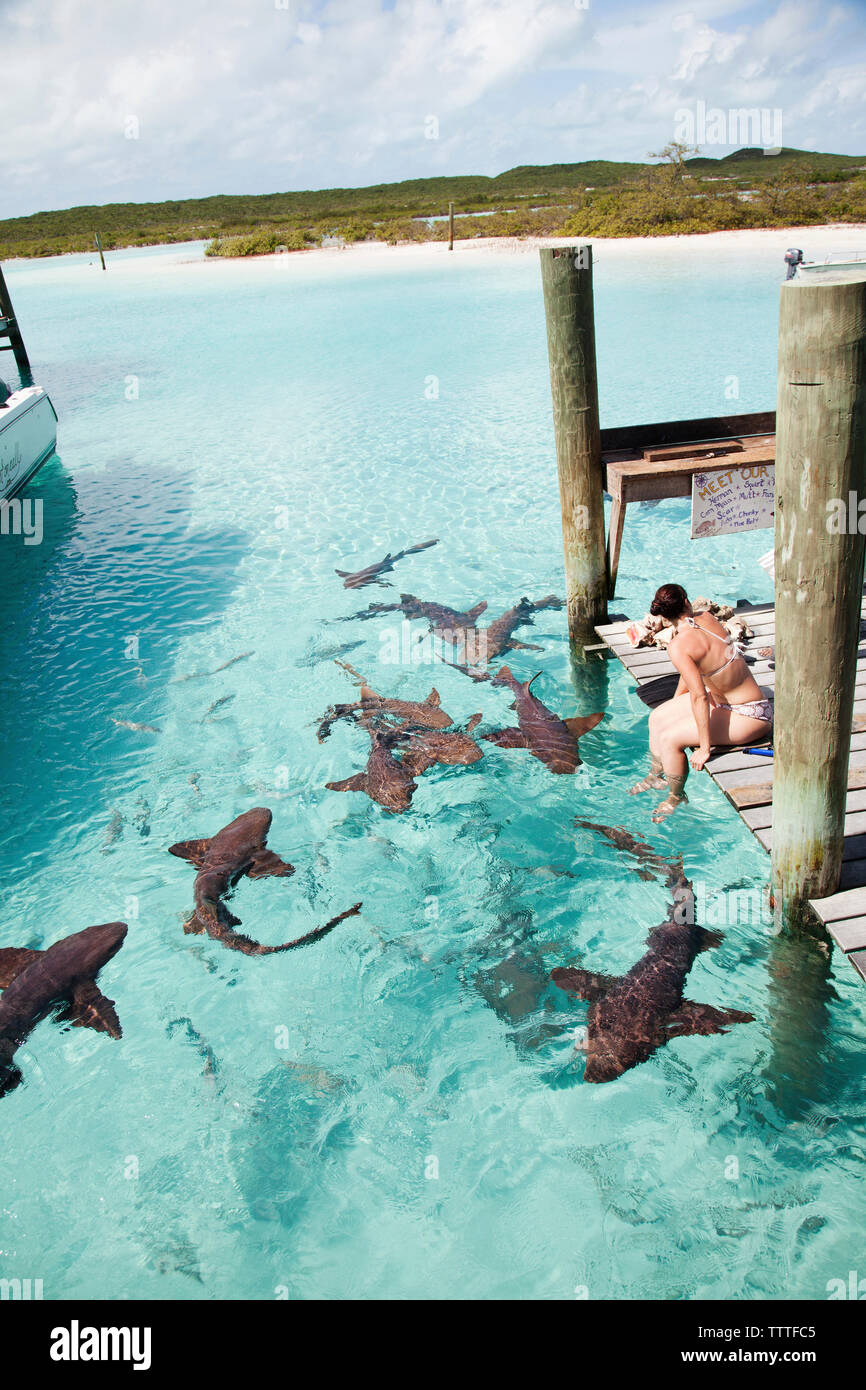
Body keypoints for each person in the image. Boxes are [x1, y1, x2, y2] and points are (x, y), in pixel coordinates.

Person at [629, 583, 773, 822]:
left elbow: (699, 696)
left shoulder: (678, 646)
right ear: (686, 602)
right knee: (658, 717)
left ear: (663, 615)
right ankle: (656, 774)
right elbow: (691, 677)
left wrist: (704, 748)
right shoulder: (706, 617)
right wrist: (674, 707)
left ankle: (676, 795)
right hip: (724, 702)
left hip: (750, 714)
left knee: (671, 739)